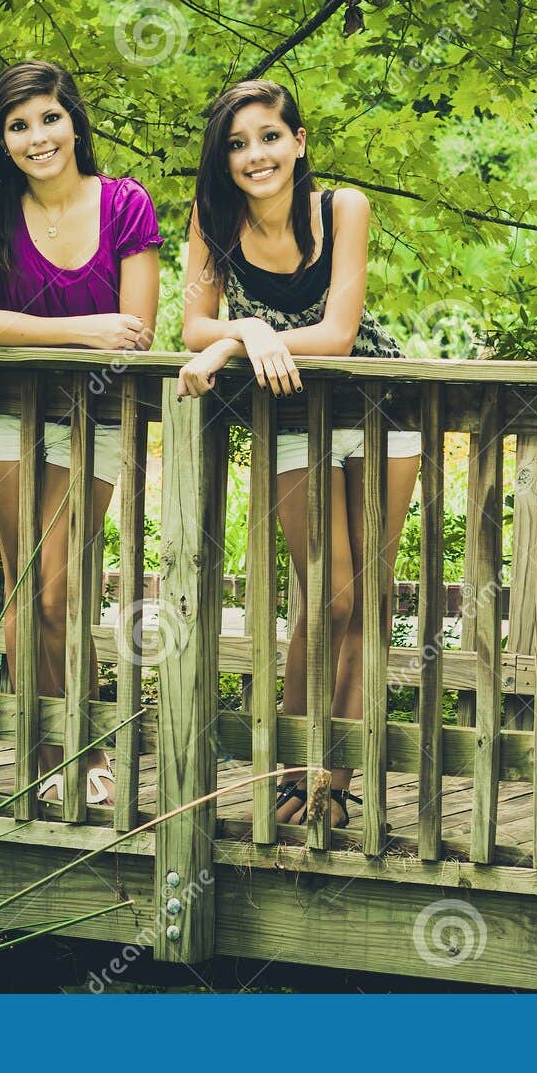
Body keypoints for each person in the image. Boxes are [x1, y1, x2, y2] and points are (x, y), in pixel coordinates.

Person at [176, 79, 420, 827]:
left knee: (369, 600)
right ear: (224, 159)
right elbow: (191, 325)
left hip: (381, 405)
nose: (257, 155)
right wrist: (244, 334)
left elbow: (339, 334)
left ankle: (335, 786)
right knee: (325, 594)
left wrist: (243, 336)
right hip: (288, 412)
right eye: (238, 143)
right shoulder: (212, 221)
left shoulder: (342, 209)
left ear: (299, 142)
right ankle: (289, 775)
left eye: (270, 137)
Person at [0, 59, 163, 807]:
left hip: (97, 418)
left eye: (49, 117)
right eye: (18, 125)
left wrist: (86, 336)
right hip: (11, 414)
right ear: (3, 139)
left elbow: (134, 333)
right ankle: (45, 755)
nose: (37, 136)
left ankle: (86, 744)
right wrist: (81, 328)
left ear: (73, 120)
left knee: (60, 592)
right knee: (22, 591)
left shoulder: (125, 204)